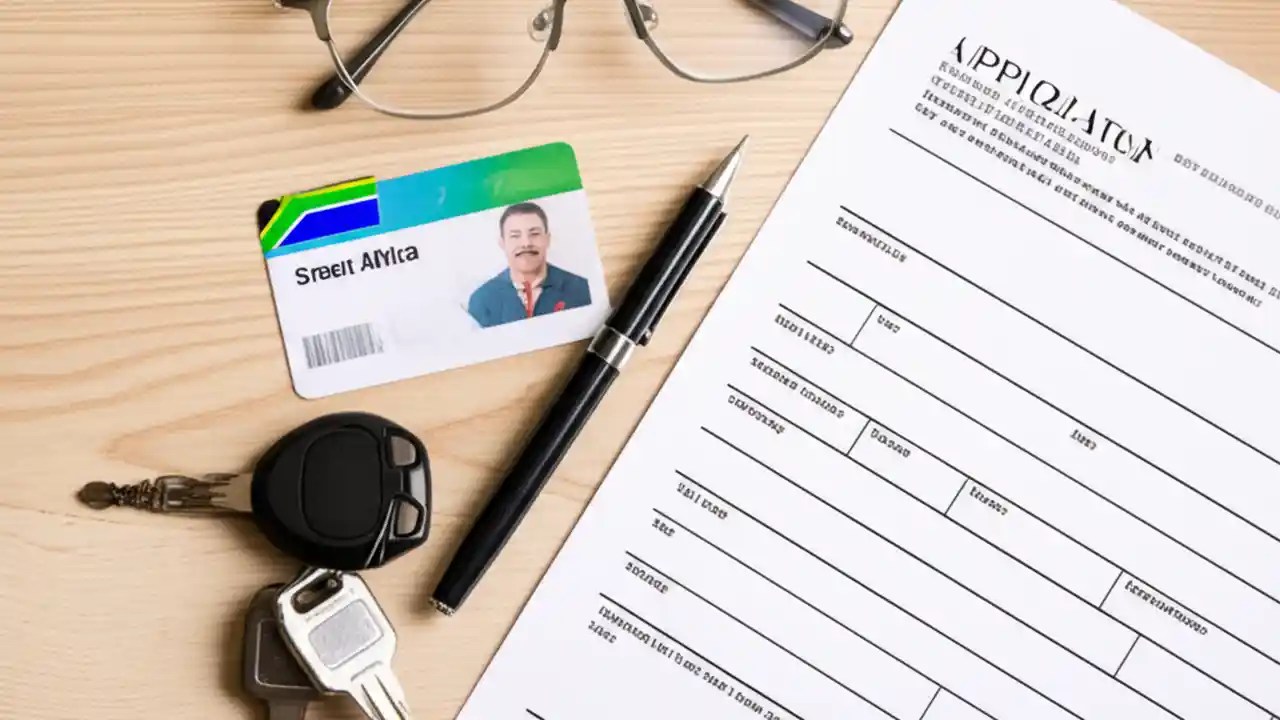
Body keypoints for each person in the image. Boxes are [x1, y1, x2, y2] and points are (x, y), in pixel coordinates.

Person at [467, 202, 592, 328]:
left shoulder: (581, 290)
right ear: (502, 243)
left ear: (547, 239)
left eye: (534, 234)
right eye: (515, 236)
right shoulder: (482, 300)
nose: (526, 243)